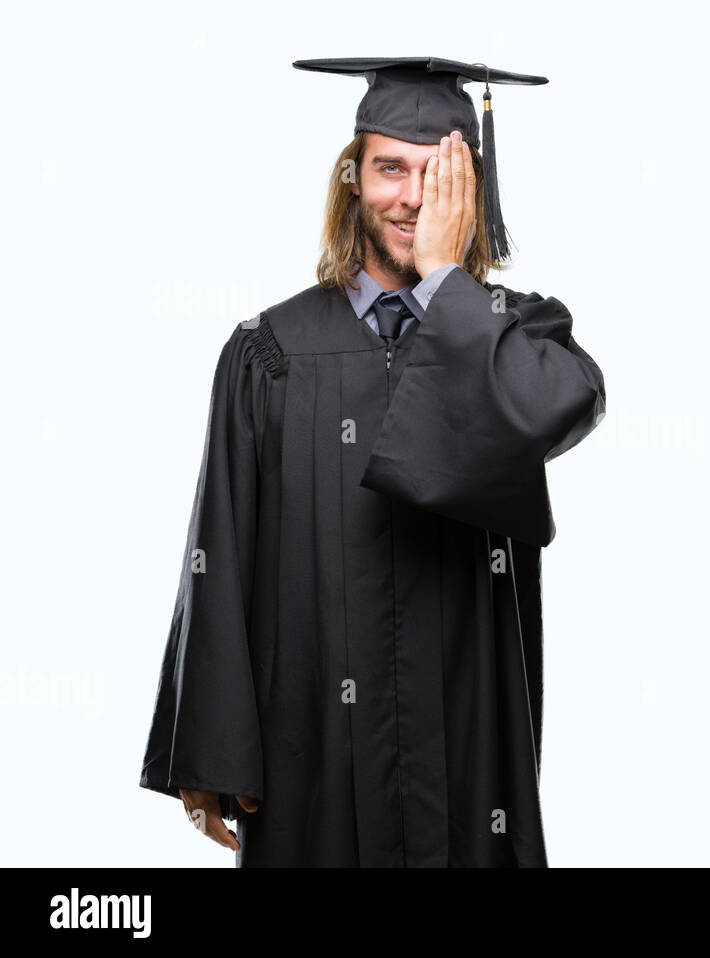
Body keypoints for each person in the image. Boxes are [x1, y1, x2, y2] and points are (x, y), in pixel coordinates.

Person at [139, 57, 606, 867]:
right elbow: (220, 546)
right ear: (352, 179)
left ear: (472, 194)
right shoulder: (270, 352)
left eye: (440, 175)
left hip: (466, 750)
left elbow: (559, 408)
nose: (413, 199)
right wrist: (210, 752)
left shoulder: (511, 335)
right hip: (310, 744)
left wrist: (446, 284)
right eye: (390, 168)